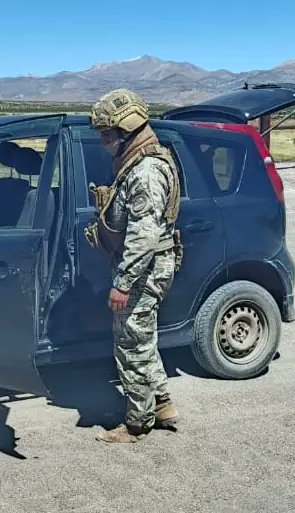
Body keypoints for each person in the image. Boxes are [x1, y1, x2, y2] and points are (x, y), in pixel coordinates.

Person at [83, 88, 183, 443]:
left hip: (144, 270)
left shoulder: (145, 172)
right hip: (150, 267)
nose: (103, 142)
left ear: (127, 131)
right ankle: (162, 404)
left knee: (130, 343)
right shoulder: (140, 163)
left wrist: (122, 283)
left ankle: (138, 421)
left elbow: (143, 234)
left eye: (107, 135)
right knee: (143, 339)